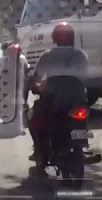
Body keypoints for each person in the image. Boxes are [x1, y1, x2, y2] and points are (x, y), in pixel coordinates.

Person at [27, 22, 89, 168]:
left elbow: (36, 78)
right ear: (72, 37)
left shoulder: (47, 55)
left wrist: (33, 86)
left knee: (34, 118)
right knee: (81, 118)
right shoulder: (81, 55)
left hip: (52, 102)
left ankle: (40, 151)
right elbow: (84, 77)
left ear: (55, 38)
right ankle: (83, 143)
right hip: (77, 98)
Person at [0, 43, 27, 124]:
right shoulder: (21, 58)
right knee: (21, 100)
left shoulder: (5, 59)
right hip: (14, 84)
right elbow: (27, 69)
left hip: (7, 84)